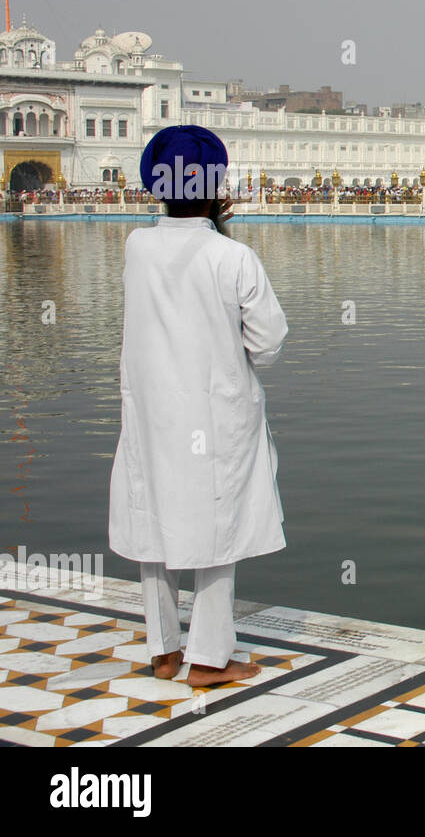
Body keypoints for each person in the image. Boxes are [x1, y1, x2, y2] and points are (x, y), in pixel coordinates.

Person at [109, 125, 289, 688]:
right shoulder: (232, 257)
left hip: (152, 413)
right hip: (214, 415)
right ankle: (210, 658)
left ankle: (163, 651)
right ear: (217, 185)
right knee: (217, 529)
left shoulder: (137, 247)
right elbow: (269, 343)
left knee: (153, 517)